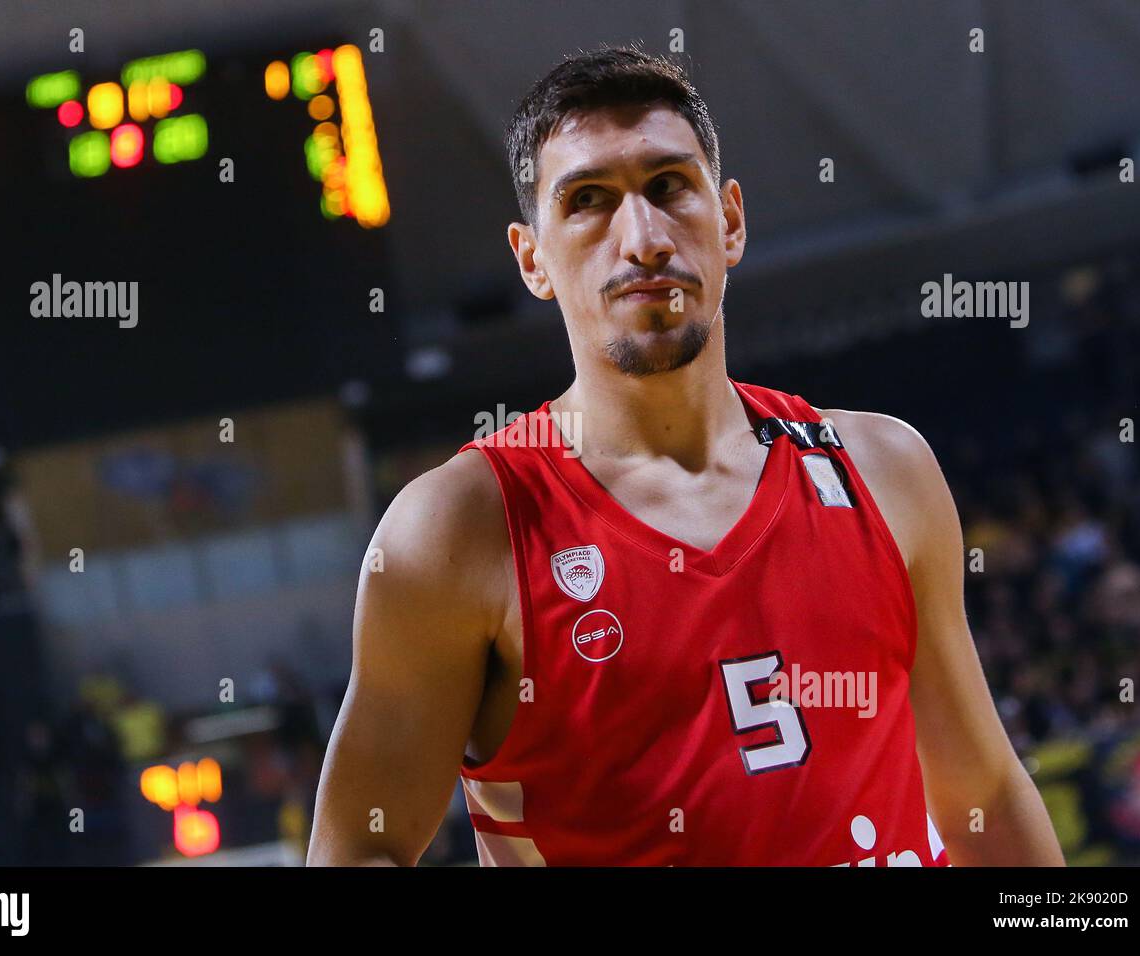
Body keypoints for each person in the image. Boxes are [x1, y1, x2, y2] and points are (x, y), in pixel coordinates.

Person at [308, 46, 1063, 866]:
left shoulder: (883, 468)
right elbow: (360, 848)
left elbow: (983, 796)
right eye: (589, 201)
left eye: (668, 186)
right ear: (532, 259)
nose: (643, 238)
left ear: (729, 220)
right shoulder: (458, 527)